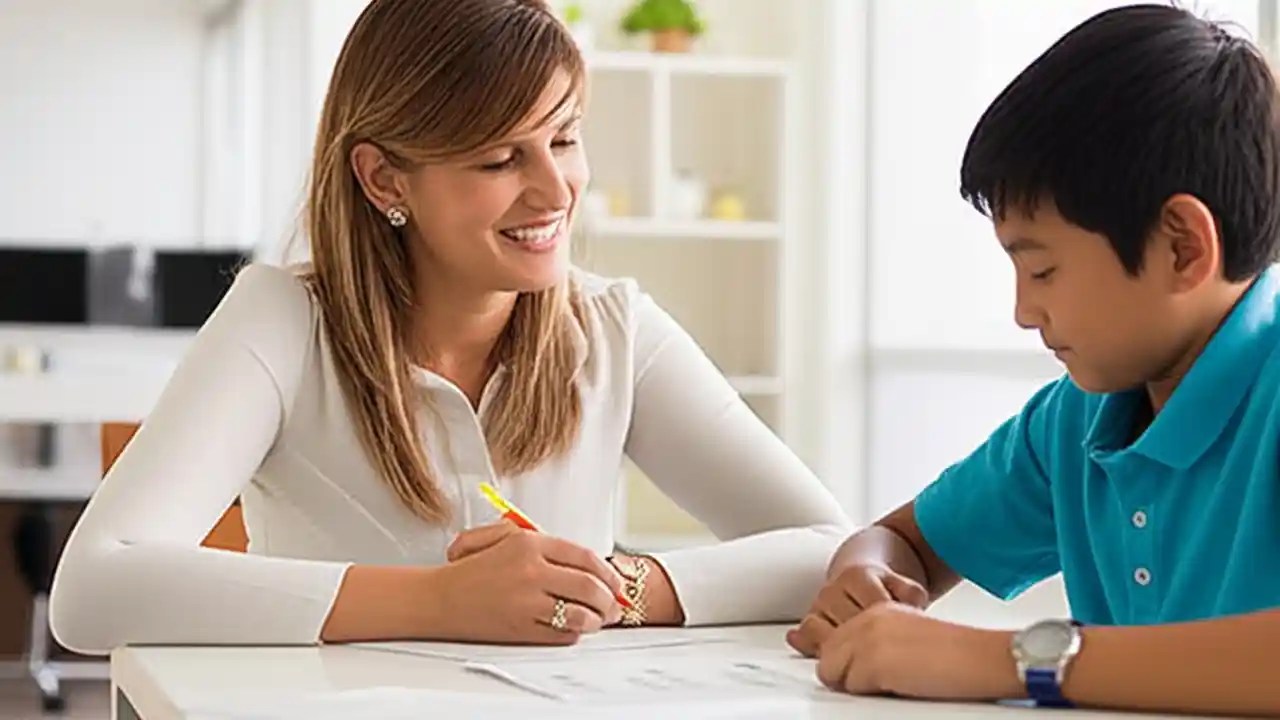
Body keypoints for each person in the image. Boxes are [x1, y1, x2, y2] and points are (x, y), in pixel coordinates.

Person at [48, 0, 850, 655]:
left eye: (564, 139)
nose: (554, 190)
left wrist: (621, 590)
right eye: (500, 161)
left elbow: (829, 549)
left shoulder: (614, 329)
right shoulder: (284, 321)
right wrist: (441, 599)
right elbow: (92, 591)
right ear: (383, 176)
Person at [788, 5, 1280, 717]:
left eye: (1042, 271)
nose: (1024, 311)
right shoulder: (1080, 416)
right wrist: (867, 580)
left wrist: (1011, 660)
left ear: (1182, 248)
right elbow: (903, 541)